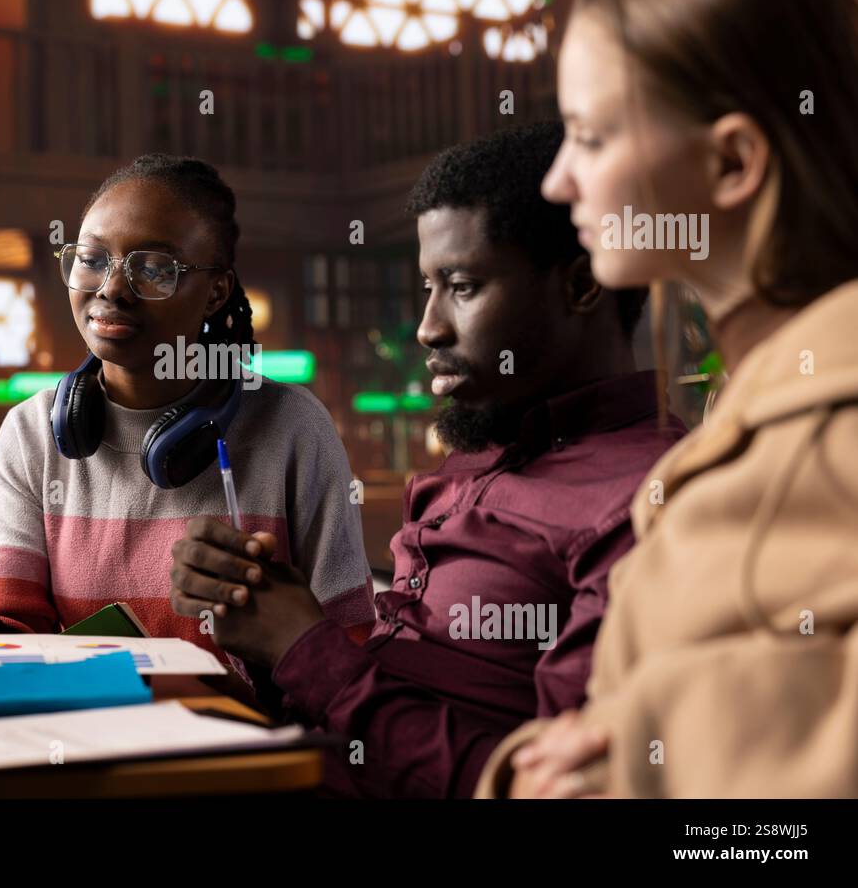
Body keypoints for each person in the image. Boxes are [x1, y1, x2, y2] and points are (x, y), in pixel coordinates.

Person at [169, 122, 685, 797]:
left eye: (462, 286)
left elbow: (542, 788)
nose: (428, 328)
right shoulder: (478, 454)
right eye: (427, 288)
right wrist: (258, 614)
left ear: (582, 285)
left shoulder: (646, 502)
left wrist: (302, 646)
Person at [479, 0, 858, 798]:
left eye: (590, 138)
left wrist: (645, 747)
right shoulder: (762, 399)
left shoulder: (833, 419)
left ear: (731, 162)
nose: (558, 183)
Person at [0, 154, 374, 665]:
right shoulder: (31, 433)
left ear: (215, 291)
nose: (111, 289)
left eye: (154, 268)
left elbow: (350, 650)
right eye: (91, 260)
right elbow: (6, 648)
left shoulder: (293, 427)